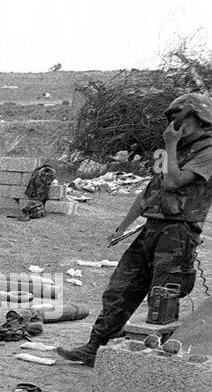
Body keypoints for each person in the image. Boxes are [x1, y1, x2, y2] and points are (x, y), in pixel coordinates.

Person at [57, 93, 212, 366]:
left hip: (178, 233)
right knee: (120, 288)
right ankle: (96, 347)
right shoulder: (166, 152)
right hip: (151, 228)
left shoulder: (207, 152)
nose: (174, 127)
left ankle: (159, 362)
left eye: (181, 121)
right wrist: (123, 226)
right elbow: (149, 192)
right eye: (172, 121)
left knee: (162, 299)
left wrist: (170, 145)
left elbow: (175, 182)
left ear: (199, 120)